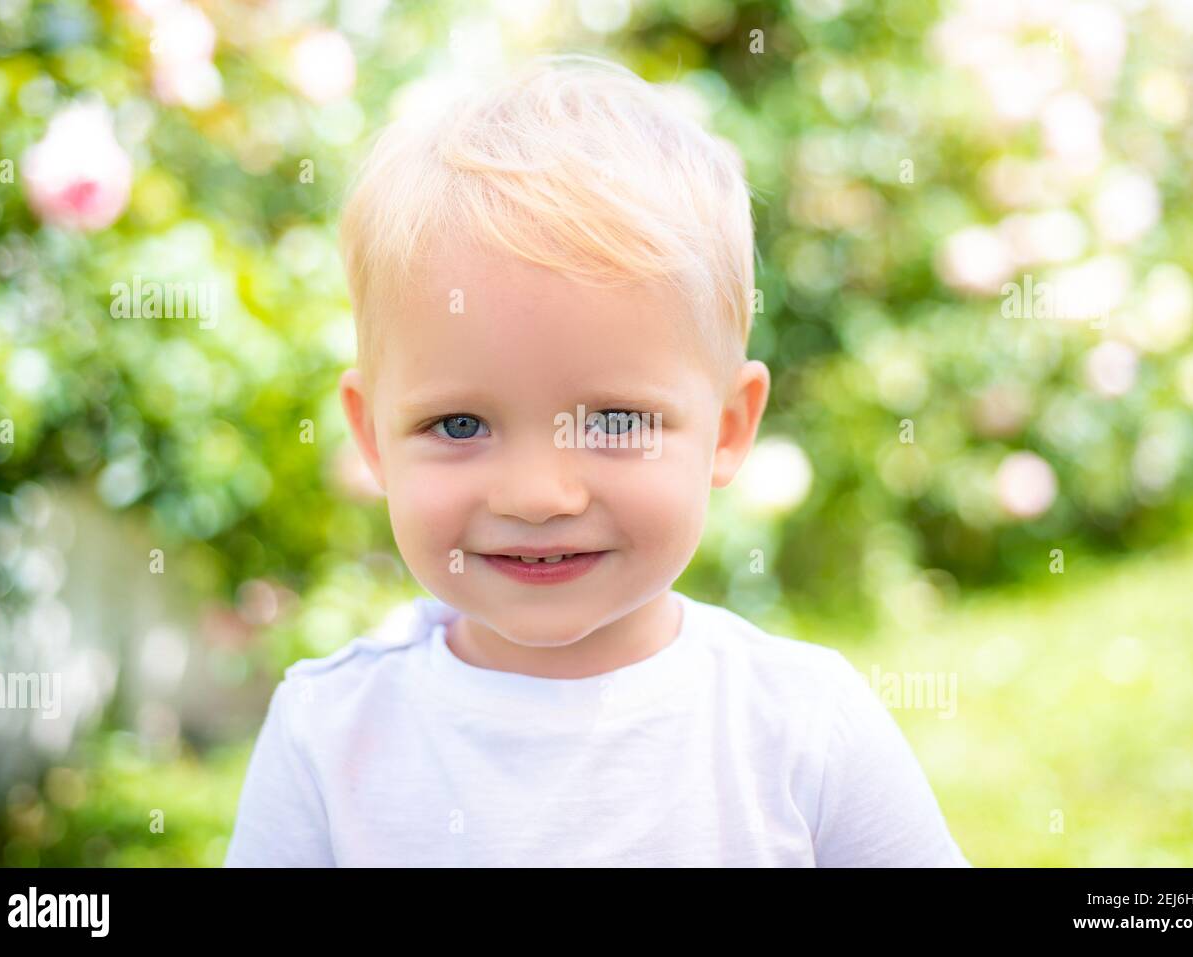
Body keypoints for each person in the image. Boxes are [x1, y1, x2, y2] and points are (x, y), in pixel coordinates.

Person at [224, 53, 971, 867]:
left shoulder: (802, 731)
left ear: (726, 428)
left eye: (614, 421)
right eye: (460, 422)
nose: (538, 495)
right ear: (373, 439)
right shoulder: (329, 737)